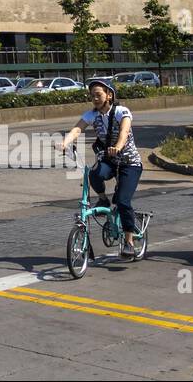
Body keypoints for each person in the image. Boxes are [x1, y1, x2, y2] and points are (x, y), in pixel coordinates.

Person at [58, 79, 143, 259]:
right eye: (92, 96)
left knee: (123, 202)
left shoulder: (121, 111)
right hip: (110, 161)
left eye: (98, 95)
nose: (95, 99)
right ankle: (103, 200)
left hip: (129, 163)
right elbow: (77, 129)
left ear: (109, 95)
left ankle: (129, 242)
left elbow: (124, 131)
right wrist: (65, 143)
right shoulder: (92, 115)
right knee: (94, 174)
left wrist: (118, 146)